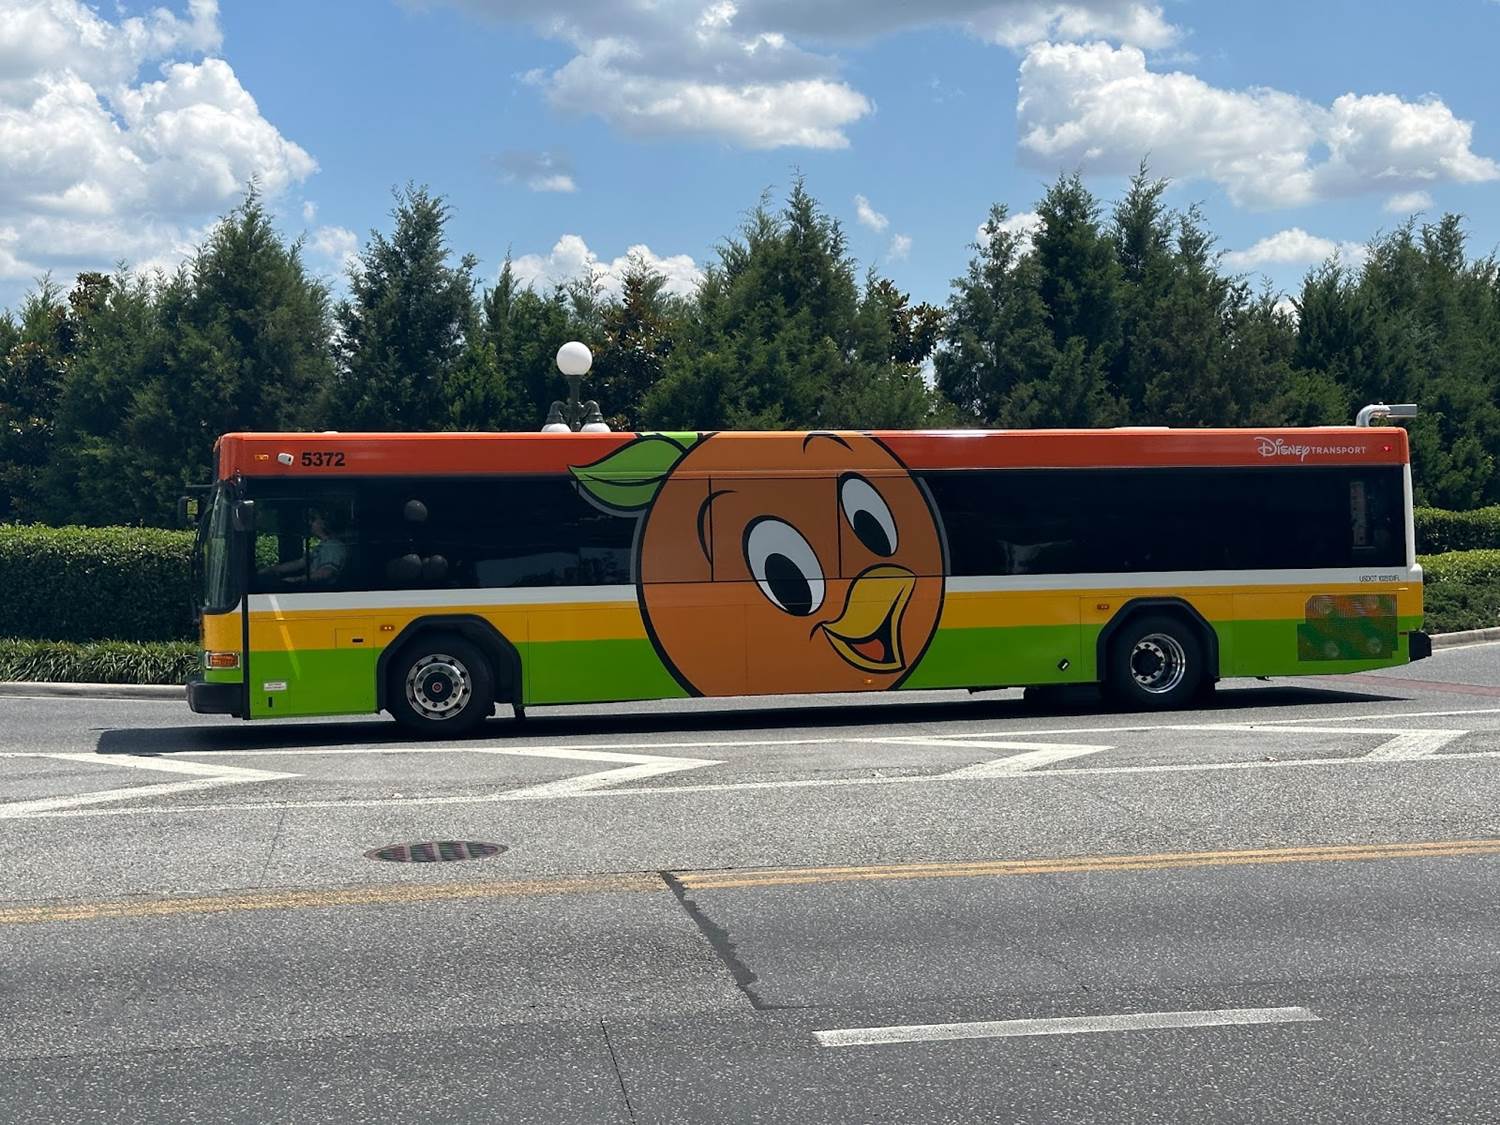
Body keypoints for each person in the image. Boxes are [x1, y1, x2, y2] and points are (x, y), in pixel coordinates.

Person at [264, 506, 350, 586]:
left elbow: (327, 572)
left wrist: (297, 580)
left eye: (313, 519)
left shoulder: (332, 546)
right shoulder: (322, 546)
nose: (309, 523)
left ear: (324, 522)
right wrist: (272, 570)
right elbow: (300, 563)